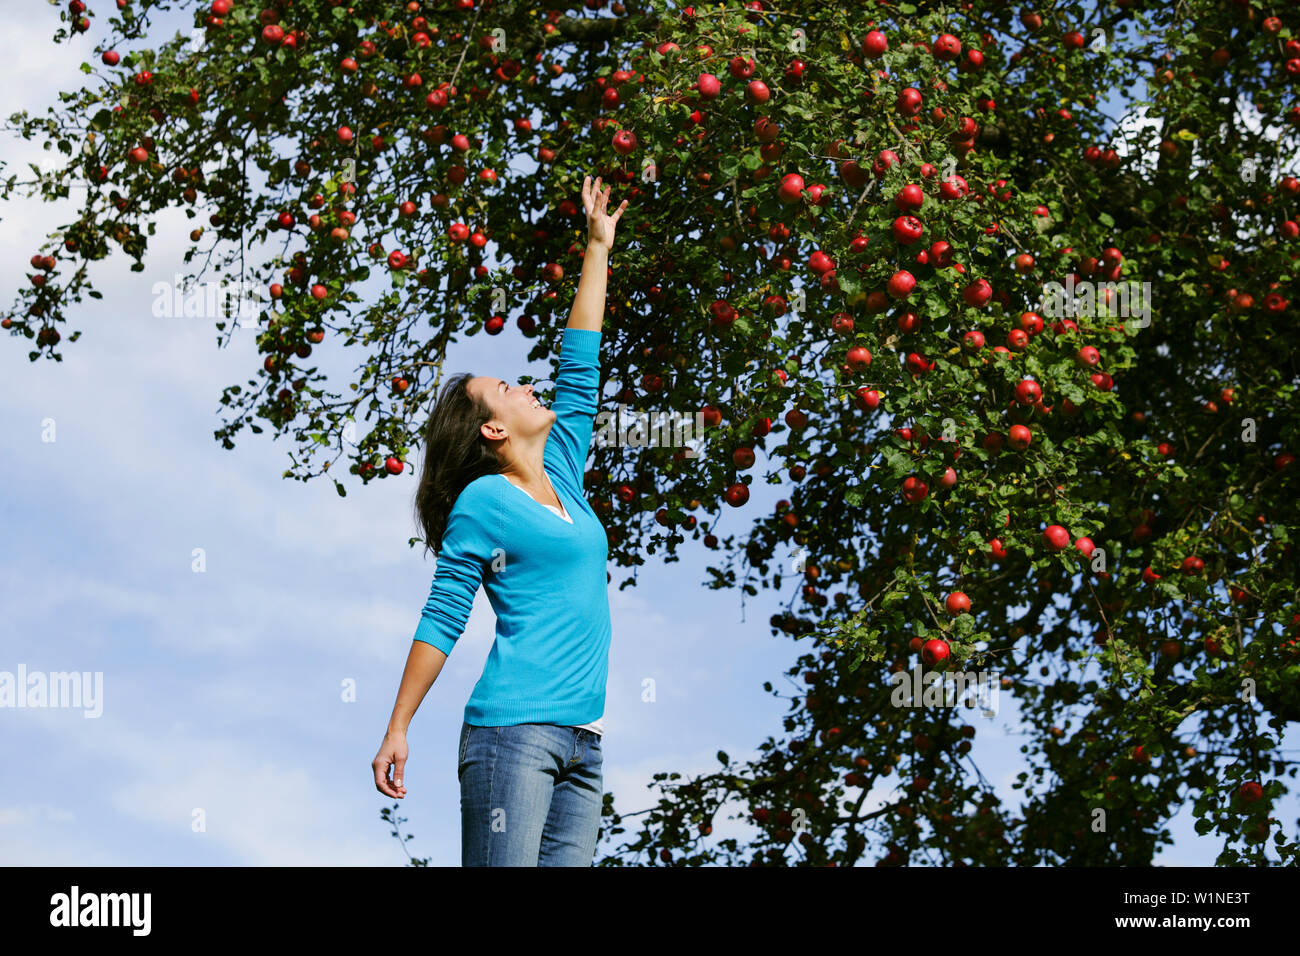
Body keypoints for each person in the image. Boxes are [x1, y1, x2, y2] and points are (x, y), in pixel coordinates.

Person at [372, 175, 629, 866]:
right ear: (490, 429)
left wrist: (596, 246)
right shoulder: (482, 505)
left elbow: (581, 364)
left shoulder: (565, 473)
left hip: (586, 739)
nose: (523, 384)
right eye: (504, 389)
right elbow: (444, 613)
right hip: (513, 736)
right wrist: (399, 727)